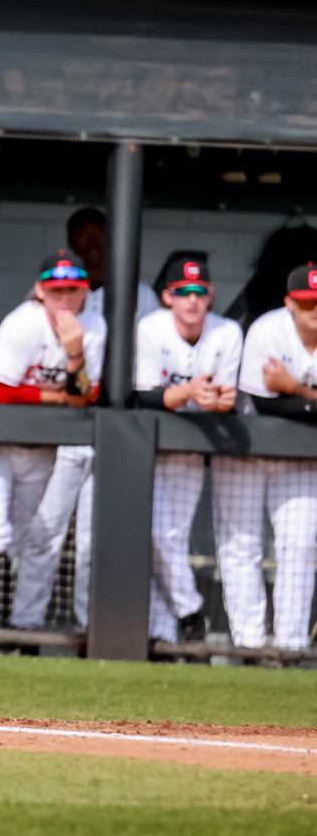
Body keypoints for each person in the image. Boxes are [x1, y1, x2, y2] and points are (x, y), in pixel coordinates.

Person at [32, 207, 162, 631]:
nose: (93, 244)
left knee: (103, 540)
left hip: (124, 422)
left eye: (99, 234)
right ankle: (22, 625)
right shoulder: (56, 295)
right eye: (82, 237)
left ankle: (93, 629)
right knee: (40, 532)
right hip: (69, 426)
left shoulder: (139, 293)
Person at [0, 251, 104, 648]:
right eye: (57, 288)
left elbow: (89, 395)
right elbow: (4, 392)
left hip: (42, 450)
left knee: (28, 540)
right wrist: (59, 398)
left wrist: (75, 353)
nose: (65, 296)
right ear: (41, 290)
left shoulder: (93, 324)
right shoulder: (21, 322)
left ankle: (14, 632)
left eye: (74, 288)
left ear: (85, 291)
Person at [131, 257, 242, 646]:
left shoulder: (227, 332)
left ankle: (171, 631)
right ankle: (188, 613)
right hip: (146, 448)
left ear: (209, 296)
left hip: (188, 450)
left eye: (199, 292)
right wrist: (191, 393)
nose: (192, 300)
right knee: (147, 538)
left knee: (166, 538)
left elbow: (227, 398)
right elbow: (144, 395)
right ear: (168, 297)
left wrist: (220, 401)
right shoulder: (151, 328)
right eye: (183, 292)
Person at [214, 263, 317, 655]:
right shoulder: (268, 329)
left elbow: (284, 400)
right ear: (291, 303)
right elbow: (265, 405)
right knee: (240, 546)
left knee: (300, 544)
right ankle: (250, 645)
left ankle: (290, 648)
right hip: (246, 450)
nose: (315, 309)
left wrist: (292, 388)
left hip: (299, 456)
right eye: (308, 302)